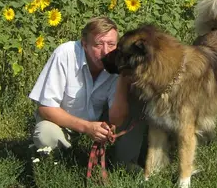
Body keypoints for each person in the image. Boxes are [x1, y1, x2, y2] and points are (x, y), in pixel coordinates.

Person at [29, 16, 145, 168]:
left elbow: (117, 119)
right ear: (84, 44)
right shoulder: (65, 54)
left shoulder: (117, 62)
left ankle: (123, 164)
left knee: (137, 102)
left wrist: (122, 76)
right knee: (46, 134)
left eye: (111, 44)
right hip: (62, 124)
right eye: (98, 44)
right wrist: (87, 127)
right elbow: (45, 108)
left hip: (99, 122)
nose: (106, 52)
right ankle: (56, 167)